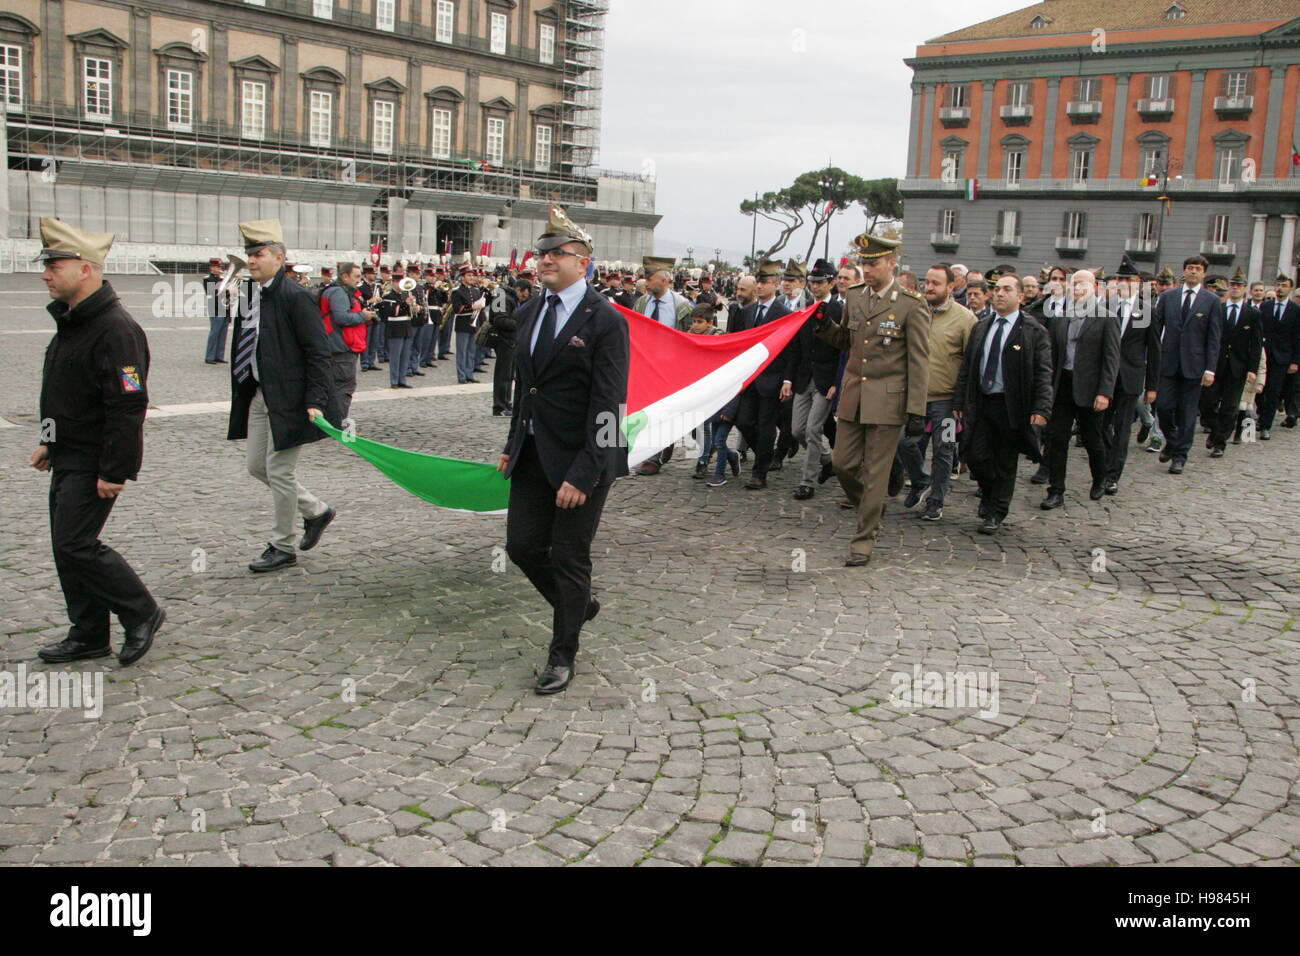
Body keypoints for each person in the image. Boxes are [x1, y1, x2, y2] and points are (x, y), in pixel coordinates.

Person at [499, 206, 629, 695]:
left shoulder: (605, 319)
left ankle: (562, 654)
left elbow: (609, 404)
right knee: (523, 546)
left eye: (557, 253)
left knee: (570, 557)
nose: (545, 260)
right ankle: (578, 605)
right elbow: (525, 388)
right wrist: (513, 444)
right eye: (542, 253)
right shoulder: (531, 309)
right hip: (534, 452)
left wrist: (585, 472)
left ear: (583, 262)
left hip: (586, 458)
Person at [29, 218, 165, 666]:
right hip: (68, 453)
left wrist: (114, 469)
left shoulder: (115, 329)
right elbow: (56, 390)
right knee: (65, 546)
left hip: (94, 458)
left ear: (85, 268)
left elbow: (128, 405)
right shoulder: (73, 321)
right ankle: (88, 633)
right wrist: (48, 440)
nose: (46, 274)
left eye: (54, 265)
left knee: (76, 544)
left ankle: (141, 610)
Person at [226, 219, 341, 572]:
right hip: (261, 394)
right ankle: (316, 511)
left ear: (279, 257)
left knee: (279, 470)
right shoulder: (251, 293)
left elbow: (318, 352)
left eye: (259, 254)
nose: (252, 261)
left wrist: (315, 400)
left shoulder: (296, 297)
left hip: (291, 399)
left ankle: (283, 545)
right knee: (256, 466)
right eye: (249, 256)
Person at [815, 234, 930, 565]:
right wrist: (824, 327)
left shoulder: (910, 304)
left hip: (888, 401)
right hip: (854, 395)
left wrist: (916, 410)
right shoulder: (854, 296)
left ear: (891, 263)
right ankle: (872, 507)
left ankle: (864, 539)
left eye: (873, 263)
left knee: (876, 473)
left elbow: (918, 361)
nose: (866, 269)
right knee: (843, 464)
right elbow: (847, 342)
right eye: (863, 262)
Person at [953, 273, 1053, 533]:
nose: (999, 293)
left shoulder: (1033, 331)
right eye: (996, 289)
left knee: (1005, 460)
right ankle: (988, 493)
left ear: (1020, 296)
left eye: (1006, 289)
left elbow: (1043, 372)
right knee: (976, 456)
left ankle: (996, 511)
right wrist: (959, 400)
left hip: (1011, 405)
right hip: (981, 402)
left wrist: (1042, 408)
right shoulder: (981, 326)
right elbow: (967, 367)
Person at [896, 263, 976, 521]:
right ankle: (920, 480)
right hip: (915, 397)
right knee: (903, 443)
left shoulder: (965, 319)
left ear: (951, 287)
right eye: (926, 282)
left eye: (935, 283)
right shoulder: (914, 311)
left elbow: (971, 362)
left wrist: (962, 401)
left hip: (948, 400)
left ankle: (935, 501)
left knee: (944, 450)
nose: (928, 288)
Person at [1040, 270, 1120, 507]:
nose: (1077, 288)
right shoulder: (1060, 317)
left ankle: (1099, 478)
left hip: (1091, 387)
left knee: (1093, 438)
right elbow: (1052, 356)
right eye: (1074, 284)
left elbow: (1111, 359)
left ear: (1094, 287)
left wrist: (1105, 392)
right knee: (1057, 439)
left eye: (1082, 284)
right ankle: (1056, 489)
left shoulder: (1106, 317)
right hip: (1063, 385)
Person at [1154, 254, 1222, 474]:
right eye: (1190, 268)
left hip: (1195, 365)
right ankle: (1172, 441)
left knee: (1187, 412)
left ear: (1203, 273)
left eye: (1198, 269)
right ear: (1184, 271)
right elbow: (1156, 331)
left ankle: (1180, 455)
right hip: (1168, 362)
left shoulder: (1211, 301)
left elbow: (1214, 338)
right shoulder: (1168, 298)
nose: (1193, 271)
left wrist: (1210, 368)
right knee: (1163, 407)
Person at [733, 260, 796, 490]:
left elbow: (790, 350)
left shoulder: (784, 313)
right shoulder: (748, 311)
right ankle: (764, 455)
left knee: (766, 425)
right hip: (750, 378)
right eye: (758, 282)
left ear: (776, 285)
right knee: (743, 421)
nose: (759, 286)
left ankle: (760, 473)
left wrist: (788, 380)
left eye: (765, 282)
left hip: (773, 379)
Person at [1101, 256, 1160, 494]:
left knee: (1123, 426)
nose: (1124, 283)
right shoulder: (1105, 307)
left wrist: (1152, 386)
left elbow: (1155, 351)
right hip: (1105, 377)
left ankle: (1113, 474)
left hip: (1130, 376)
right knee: (1101, 425)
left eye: (1129, 279)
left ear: (1138, 282)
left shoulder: (1147, 311)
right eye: (1120, 279)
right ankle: (1105, 462)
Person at [789, 259, 842, 500]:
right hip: (803, 377)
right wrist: (788, 379)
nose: (815, 286)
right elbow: (796, 348)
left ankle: (807, 481)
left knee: (812, 429)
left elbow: (843, 350)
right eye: (812, 282)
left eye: (820, 282)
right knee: (797, 430)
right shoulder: (804, 309)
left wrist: (836, 383)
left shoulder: (840, 311)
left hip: (825, 380)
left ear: (831, 282)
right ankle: (827, 460)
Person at [634, 257, 692, 474]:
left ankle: (663, 446)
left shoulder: (682, 306)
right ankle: (653, 453)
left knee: (667, 412)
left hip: (671, 369)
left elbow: (690, 338)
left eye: (650, 278)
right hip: (645, 367)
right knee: (648, 411)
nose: (646, 283)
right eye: (645, 278)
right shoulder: (641, 304)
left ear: (665, 280)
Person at [1202, 268, 1262, 458]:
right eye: (1233, 285)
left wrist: (1253, 369)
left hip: (1238, 366)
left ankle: (1220, 442)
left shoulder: (1252, 313)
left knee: (1230, 406)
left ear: (1245, 289)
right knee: (1207, 402)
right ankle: (1214, 429)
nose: (1235, 289)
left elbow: (1257, 343)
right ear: (1228, 288)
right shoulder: (1219, 308)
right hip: (1216, 364)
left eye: (1239, 286)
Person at [320, 262, 373, 419]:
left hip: (338, 345)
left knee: (335, 386)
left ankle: (331, 420)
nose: (359, 280)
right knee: (344, 387)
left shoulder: (337, 291)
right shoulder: (339, 292)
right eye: (356, 276)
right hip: (342, 347)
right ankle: (337, 422)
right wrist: (363, 316)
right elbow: (341, 317)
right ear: (344, 276)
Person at [1257, 273, 1299, 439]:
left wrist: (1295, 361)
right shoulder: (1265, 307)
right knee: (1261, 390)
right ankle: (1261, 416)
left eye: (1284, 286)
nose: (1280, 289)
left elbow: (1297, 337)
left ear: (1290, 288)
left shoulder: (1295, 310)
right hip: (1263, 355)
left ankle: (1266, 425)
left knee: (1274, 391)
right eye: (1278, 285)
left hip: (1283, 357)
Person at [488, 278, 523, 416]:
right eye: (523, 294)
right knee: (503, 374)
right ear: (518, 289)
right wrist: (521, 324)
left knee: (509, 375)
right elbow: (499, 320)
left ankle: (506, 403)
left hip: (511, 340)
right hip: (503, 340)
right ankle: (499, 406)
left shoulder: (509, 296)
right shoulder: (500, 295)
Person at [451, 265, 484, 383]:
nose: (471, 277)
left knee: (471, 351)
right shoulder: (457, 292)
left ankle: (469, 374)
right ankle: (461, 376)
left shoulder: (475, 291)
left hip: (473, 325)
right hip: (463, 323)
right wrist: (472, 307)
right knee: (462, 351)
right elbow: (457, 309)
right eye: (468, 275)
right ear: (462, 277)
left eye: (472, 275)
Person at [203, 257, 230, 364]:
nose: (216, 269)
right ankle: (209, 357)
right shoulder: (208, 279)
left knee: (223, 334)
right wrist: (228, 287)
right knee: (214, 333)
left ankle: (219, 355)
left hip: (225, 308)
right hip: (215, 309)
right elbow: (214, 293)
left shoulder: (223, 279)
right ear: (210, 268)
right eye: (214, 267)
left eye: (218, 267)